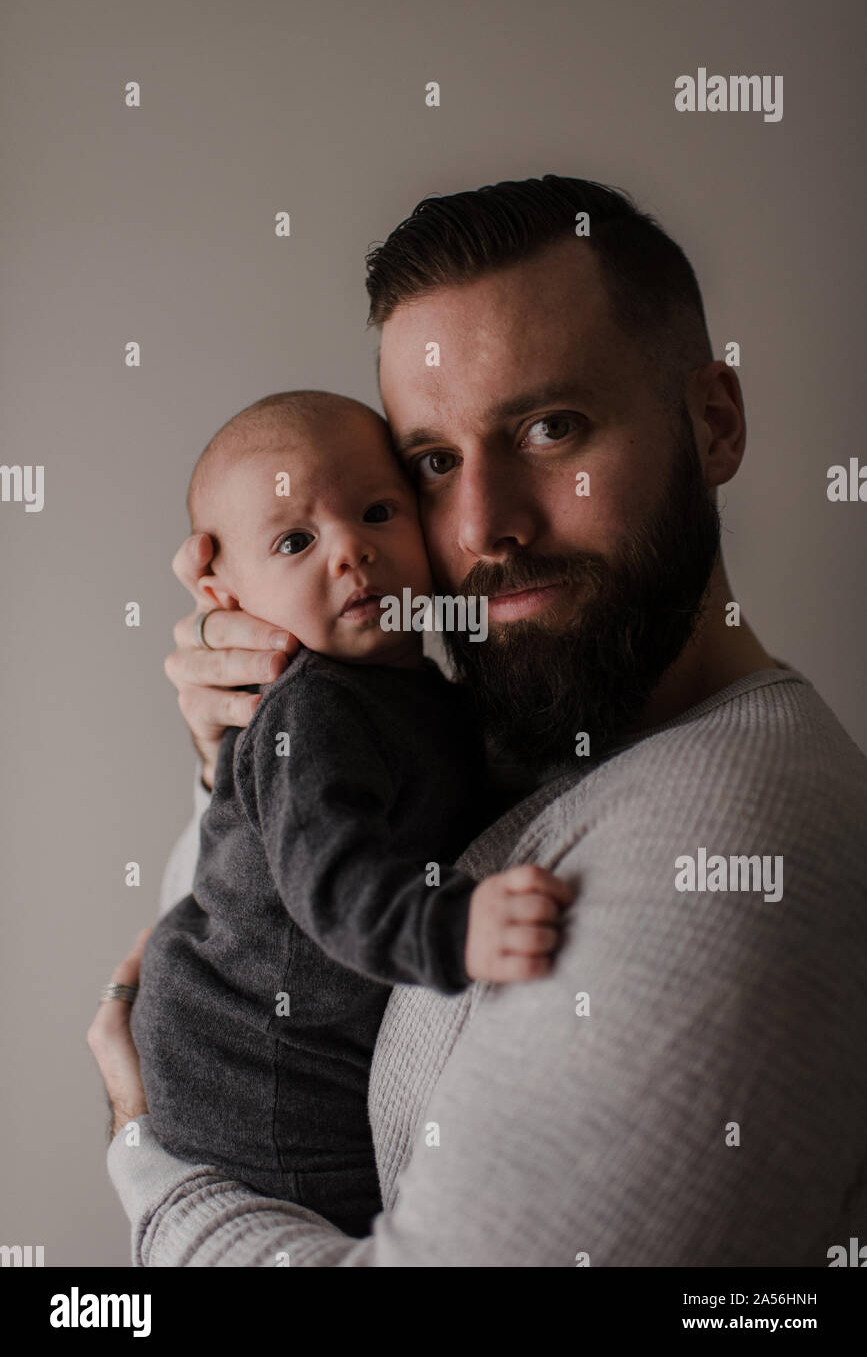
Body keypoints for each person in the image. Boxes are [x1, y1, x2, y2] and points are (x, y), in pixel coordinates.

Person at [89, 175, 867, 1266]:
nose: (483, 526)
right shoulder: (513, 738)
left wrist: (155, 1168)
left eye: (552, 428)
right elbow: (258, 926)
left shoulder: (726, 844)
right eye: (433, 465)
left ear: (714, 423)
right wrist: (247, 741)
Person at [129, 388, 571, 1238]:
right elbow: (330, 882)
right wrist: (454, 931)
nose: (351, 553)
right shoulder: (315, 711)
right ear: (222, 598)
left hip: (291, 1058)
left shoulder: (421, 693)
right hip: (250, 1080)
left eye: (376, 512)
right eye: (295, 540)